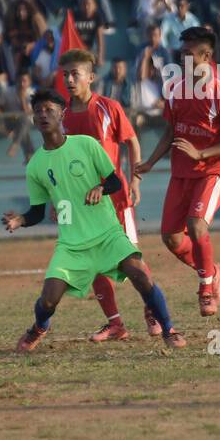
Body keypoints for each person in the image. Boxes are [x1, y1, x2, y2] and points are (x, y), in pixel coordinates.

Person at [5, 88, 187, 353]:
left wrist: (101, 188)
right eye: (38, 111)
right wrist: (20, 220)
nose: (43, 115)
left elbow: (113, 180)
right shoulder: (35, 165)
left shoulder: (86, 145)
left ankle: (169, 329)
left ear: (62, 114)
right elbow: (37, 211)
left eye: (49, 110)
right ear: (33, 118)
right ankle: (38, 328)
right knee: (47, 301)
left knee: (139, 274)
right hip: (71, 245)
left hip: (107, 234)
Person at [134, 26, 220, 316]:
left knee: (196, 226)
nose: (181, 58)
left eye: (187, 54)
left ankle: (206, 290)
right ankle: (213, 271)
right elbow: (171, 130)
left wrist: (201, 153)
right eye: (181, 53)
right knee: (171, 237)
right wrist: (150, 162)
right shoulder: (174, 88)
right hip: (182, 173)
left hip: (212, 172)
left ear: (206, 55)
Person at [59, 48, 156, 340]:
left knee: (131, 261)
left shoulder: (108, 108)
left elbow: (132, 142)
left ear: (91, 77)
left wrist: (135, 181)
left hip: (114, 197)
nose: (69, 79)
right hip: (81, 203)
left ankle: (152, 311)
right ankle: (116, 324)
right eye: (65, 74)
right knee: (93, 263)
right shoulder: (61, 115)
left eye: (75, 74)